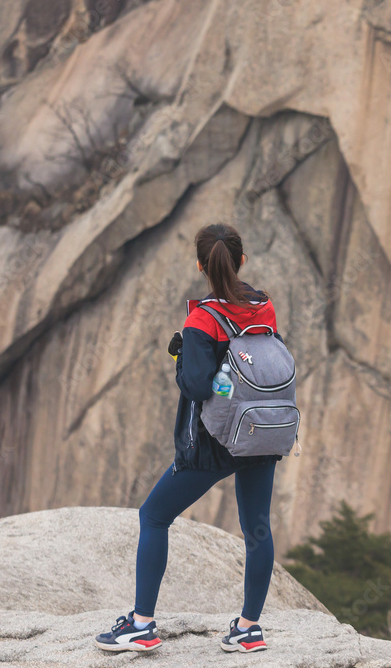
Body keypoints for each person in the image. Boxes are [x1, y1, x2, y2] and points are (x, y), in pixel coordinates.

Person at [95, 223, 281, 654]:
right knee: (257, 528)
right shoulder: (264, 306)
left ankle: (141, 625)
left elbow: (197, 387)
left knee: (154, 516)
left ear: (200, 266)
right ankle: (249, 628)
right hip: (260, 432)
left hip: (214, 441)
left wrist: (182, 355)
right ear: (242, 261)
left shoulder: (202, 319)